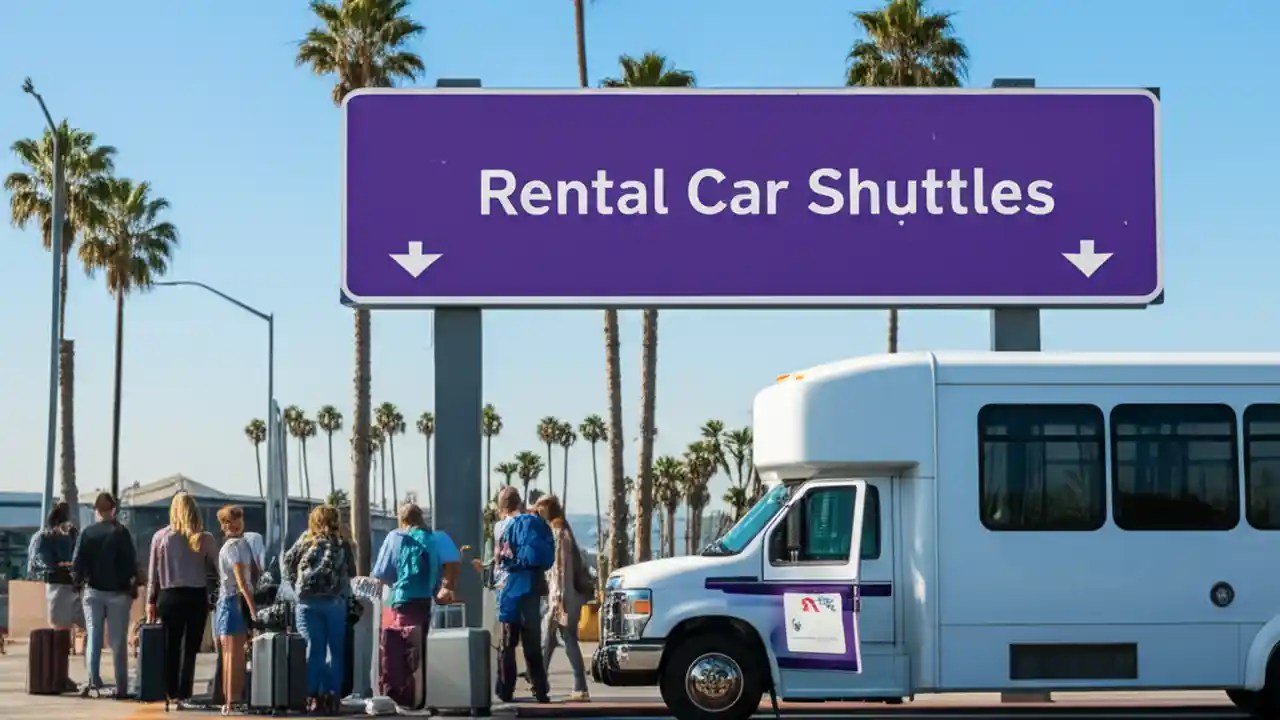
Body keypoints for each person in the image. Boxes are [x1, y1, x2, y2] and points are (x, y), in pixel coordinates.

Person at [146, 491, 219, 708]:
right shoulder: (205, 538)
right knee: (190, 649)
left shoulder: (160, 537)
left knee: (171, 646)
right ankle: (185, 694)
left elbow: (153, 575)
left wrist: (151, 601)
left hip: (169, 596)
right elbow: (217, 568)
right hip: (196, 596)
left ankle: (170, 693)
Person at [283, 504, 355, 714]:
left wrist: (295, 589)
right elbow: (352, 572)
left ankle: (312, 696)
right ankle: (332, 697)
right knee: (335, 651)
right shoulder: (342, 543)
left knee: (313, 649)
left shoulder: (305, 540)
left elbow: (287, 564)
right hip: (334, 603)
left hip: (306, 602)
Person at [72, 492, 138, 698]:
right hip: (118, 593)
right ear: (113, 510)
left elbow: (77, 563)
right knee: (118, 642)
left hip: (93, 591)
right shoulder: (121, 533)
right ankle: (121, 687)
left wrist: (79, 582)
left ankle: (94, 682)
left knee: (94, 637)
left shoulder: (87, 533)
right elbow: (130, 563)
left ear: (96, 511)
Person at [493, 486, 552, 704]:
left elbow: (500, 560)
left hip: (509, 592)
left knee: (508, 644)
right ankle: (540, 689)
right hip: (532, 588)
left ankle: (505, 689)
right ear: (519, 503)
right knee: (532, 643)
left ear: (502, 507)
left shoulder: (501, 526)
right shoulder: (534, 523)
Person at [533, 495, 590, 702]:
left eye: (539, 508)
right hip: (563, 596)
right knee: (553, 640)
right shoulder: (562, 531)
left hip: (562, 597)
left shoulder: (559, 534)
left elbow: (560, 571)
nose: (537, 511)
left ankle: (575, 685)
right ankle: (542, 682)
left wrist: (558, 600)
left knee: (562, 639)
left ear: (547, 509)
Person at [372, 502, 462, 629]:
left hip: (402, 601)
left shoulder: (394, 537)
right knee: (424, 641)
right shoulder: (437, 538)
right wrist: (446, 587)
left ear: (402, 521)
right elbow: (454, 562)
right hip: (427, 600)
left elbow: (382, 575)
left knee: (405, 641)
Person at [215, 505, 258, 715]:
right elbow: (241, 581)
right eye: (232, 519)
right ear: (224, 524)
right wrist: (253, 609)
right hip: (233, 600)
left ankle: (233, 699)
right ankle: (230, 701)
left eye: (239, 517)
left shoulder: (242, 544)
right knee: (232, 654)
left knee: (237, 654)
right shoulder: (233, 547)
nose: (237, 522)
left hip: (233, 600)